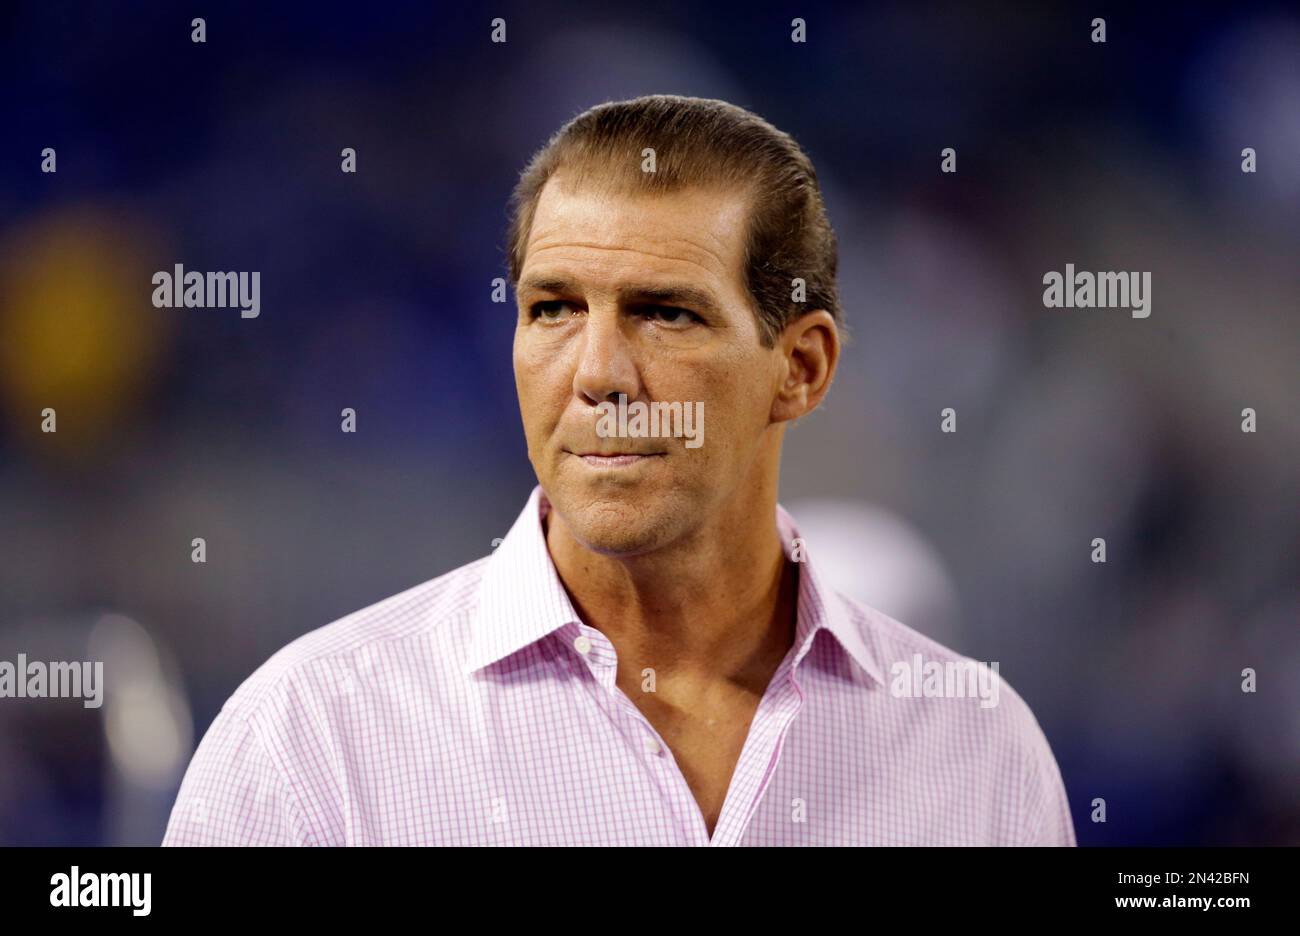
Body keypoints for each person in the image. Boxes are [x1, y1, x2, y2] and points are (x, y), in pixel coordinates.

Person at [164, 94, 1075, 846]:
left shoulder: (980, 749)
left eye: (666, 314)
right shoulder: (312, 741)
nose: (597, 374)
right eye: (554, 309)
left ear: (800, 369)